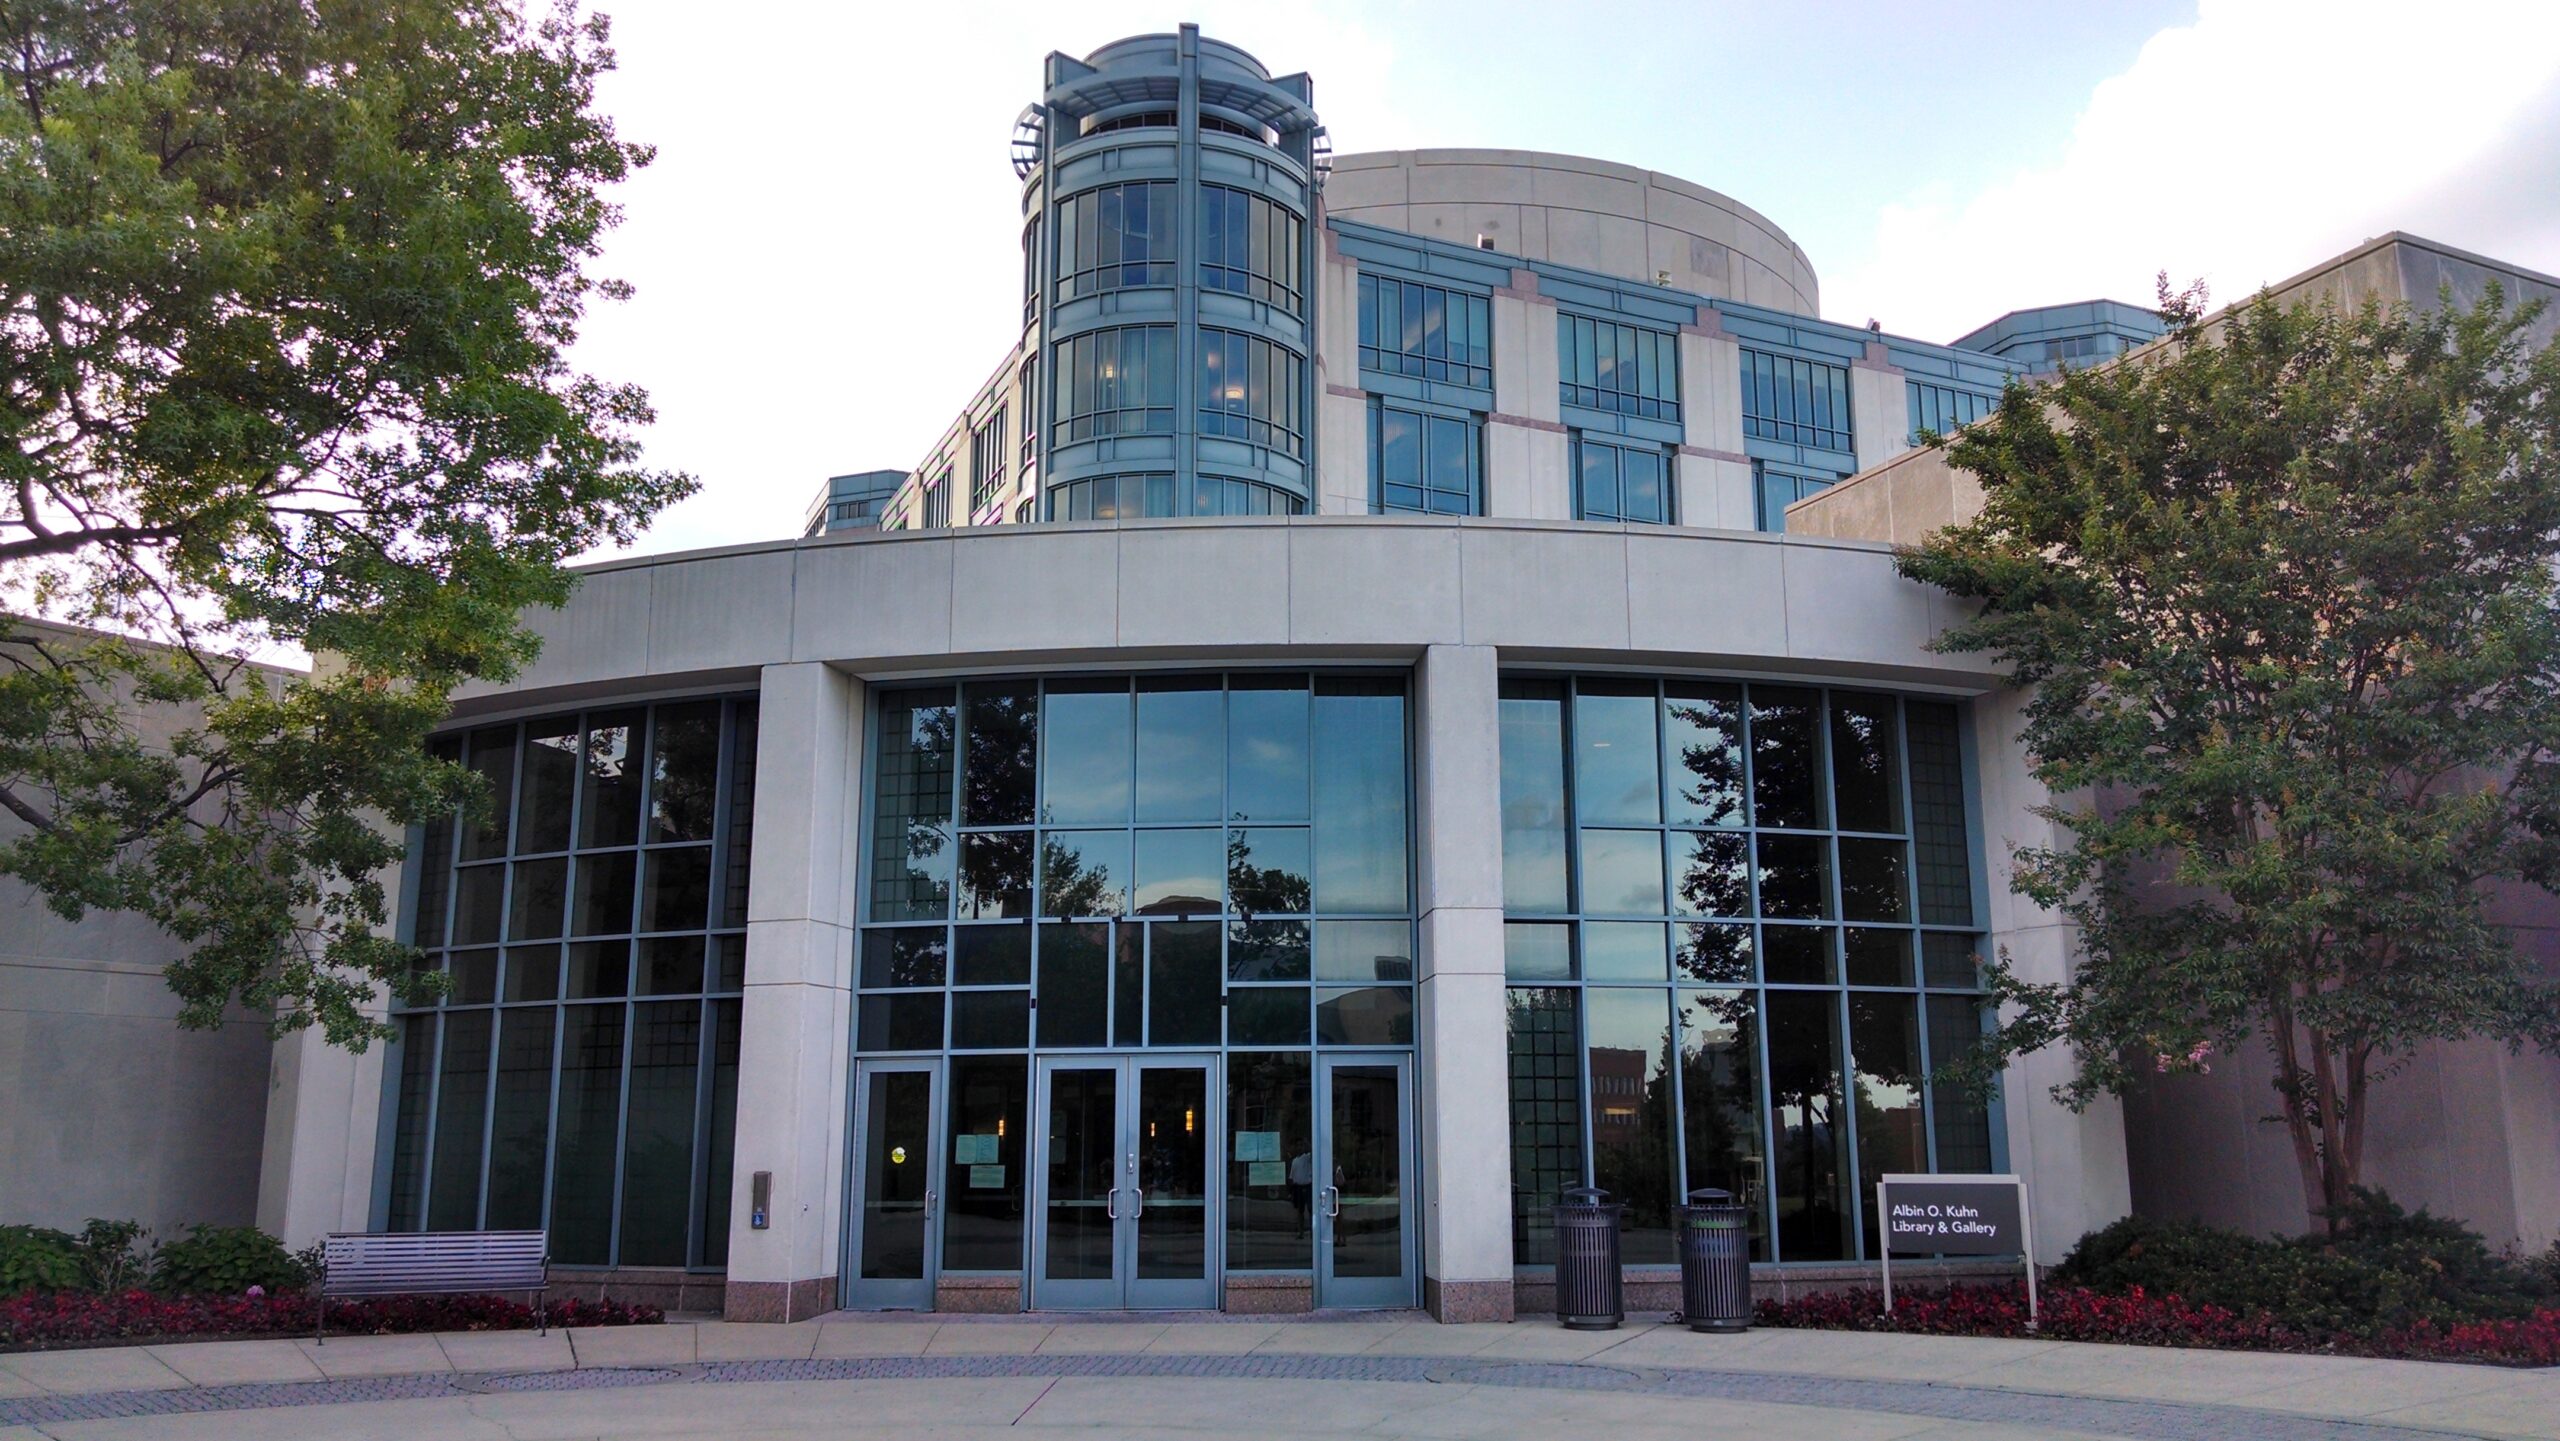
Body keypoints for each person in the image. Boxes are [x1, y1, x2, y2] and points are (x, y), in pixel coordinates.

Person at [1287, 1148, 1314, 1236]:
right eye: (1297, 1146)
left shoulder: (1307, 1157)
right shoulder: (1294, 1161)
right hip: (1298, 1187)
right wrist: (1291, 1191)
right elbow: (1291, 1176)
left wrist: (1308, 1144)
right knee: (1300, 1210)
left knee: (1311, 1209)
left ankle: (1312, 1231)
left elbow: (1313, 1152)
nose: (1299, 1147)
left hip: (1308, 1185)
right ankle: (1300, 1231)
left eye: (1301, 1145)